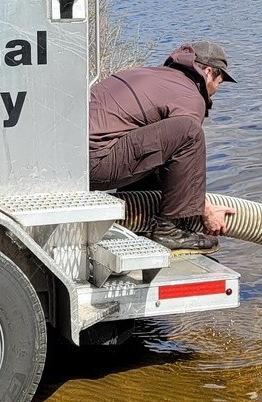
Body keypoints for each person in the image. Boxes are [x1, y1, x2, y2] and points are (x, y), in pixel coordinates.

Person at [88, 42, 238, 251]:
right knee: (189, 133)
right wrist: (207, 210)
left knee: (164, 140)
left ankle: (139, 219)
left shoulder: (147, 74)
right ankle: (169, 231)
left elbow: (157, 150)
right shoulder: (190, 96)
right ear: (208, 72)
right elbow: (185, 151)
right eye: (219, 81)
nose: (216, 90)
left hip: (74, 161)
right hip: (97, 163)